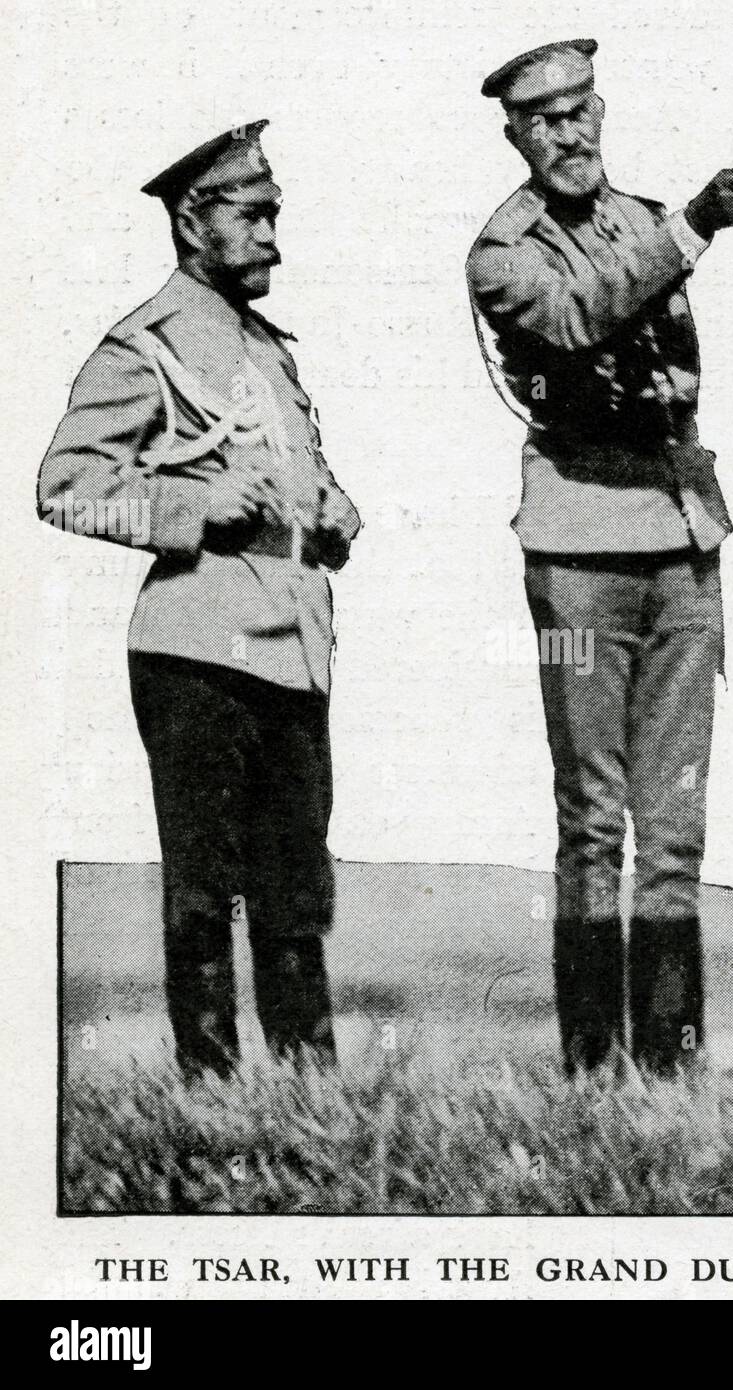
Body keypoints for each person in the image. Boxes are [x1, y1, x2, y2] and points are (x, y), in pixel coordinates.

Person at [467, 41, 733, 1075]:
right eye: (541, 119)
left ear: (600, 112)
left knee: (676, 830)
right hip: (577, 556)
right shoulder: (504, 252)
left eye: (579, 110)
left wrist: (681, 226)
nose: (567, 133)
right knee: (595, 823)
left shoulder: (645, 221)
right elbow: (575, 318)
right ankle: (594, 1074)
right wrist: (695, 225)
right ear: (514, 134)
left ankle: (672, 1070)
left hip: (684, 542)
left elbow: (672, 373)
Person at [38, 122, 361, 1077]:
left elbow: (300, 470)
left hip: (293, 649)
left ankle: (312, 1093)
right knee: (205, 889)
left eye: (274, 217)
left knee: (298, 891)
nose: (271, 238)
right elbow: (63, 485)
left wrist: (333, 509)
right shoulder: (145, 345)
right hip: (195, 650)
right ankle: (211, 1092)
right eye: (253, 217)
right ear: (193, 221)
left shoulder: (269, 350)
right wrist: (193, 505)